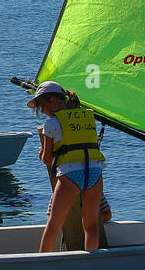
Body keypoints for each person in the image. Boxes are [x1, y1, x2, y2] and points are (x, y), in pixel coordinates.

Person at [28, 80, 105, 253]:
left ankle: (41, 265)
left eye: (41, 106)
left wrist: (42, 153)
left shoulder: (51, 124)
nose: (42, 111)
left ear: (52, 101)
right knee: (91, 225)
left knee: (53, 225)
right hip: (94, 172)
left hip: (70, 175)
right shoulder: (87, 116)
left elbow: (48, 160)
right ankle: (91, 262)